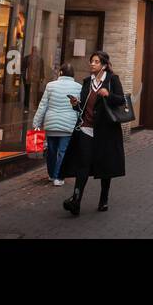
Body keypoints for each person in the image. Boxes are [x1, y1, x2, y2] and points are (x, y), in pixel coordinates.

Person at [59, 50, 126, 214]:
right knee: (83, 165)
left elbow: (121, 100)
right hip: (86, 129)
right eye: (91, 61)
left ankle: (104, 199)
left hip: (106, 131)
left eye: (96, 61)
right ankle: (76, 199)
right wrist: (76, 104)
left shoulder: (112, 80)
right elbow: (83, 107)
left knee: (105, 166)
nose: (92, 64)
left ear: (103, 65)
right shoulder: (87, 82)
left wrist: (108, 94)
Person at [32, 63, 82, 185]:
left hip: (51, 124)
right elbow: (80, 107)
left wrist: (36, 123)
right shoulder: (78, 87)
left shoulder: (50, 86)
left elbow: (43, 105)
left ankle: (51, 174)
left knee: (51, 151)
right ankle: (58, 177)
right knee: (63, 151)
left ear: (60, 73)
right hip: (68, 125)